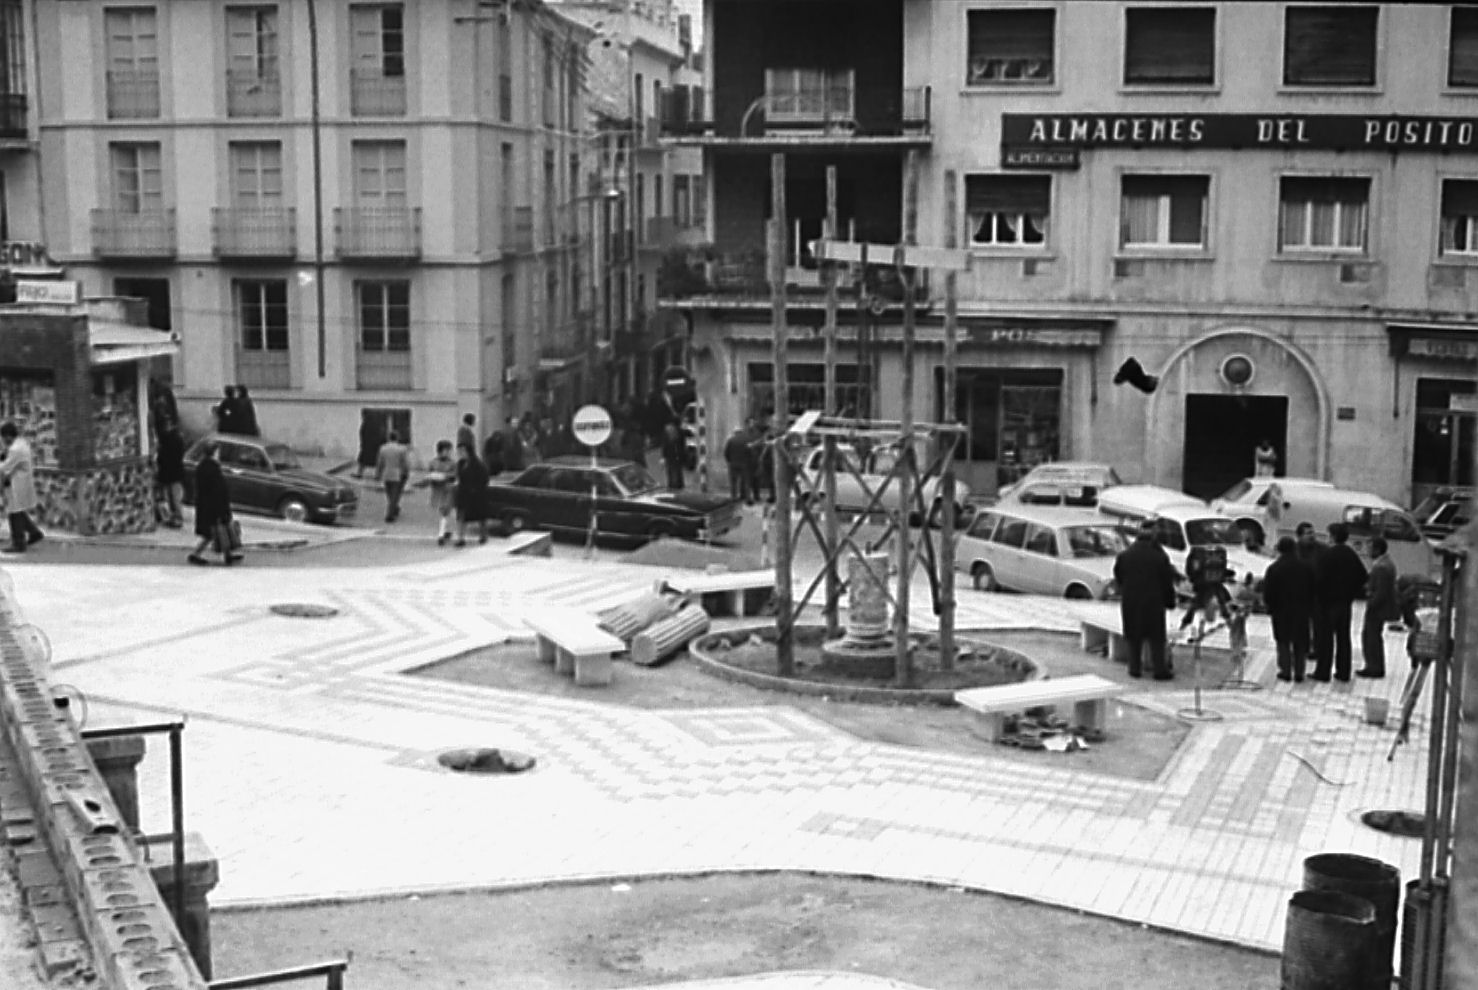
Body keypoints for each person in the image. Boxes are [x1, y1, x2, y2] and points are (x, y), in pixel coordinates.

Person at [1112, 519, 1178, 680]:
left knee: (1134, 635)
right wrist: (1170, 601)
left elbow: (1118, 576)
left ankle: (1134, 668)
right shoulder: (1159, 557)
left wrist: (1126, 590)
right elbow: (1166, 581)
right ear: (1154, 535)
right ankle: (1159, 670)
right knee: (1156, 638)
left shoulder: (1125, 556)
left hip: (1131, 601)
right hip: (1153, 603)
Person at [1314, 522, 1368, 682]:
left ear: (1333, 536)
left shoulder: (1327, 555)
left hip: (1328, 603)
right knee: (1344, 638)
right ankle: (1343, 671)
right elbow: (1362, 577)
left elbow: (1319, 579)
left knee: (1326, 639)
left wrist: (1320, 597)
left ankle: (1323, 672)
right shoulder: (1351, 554)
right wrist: (1351, 593)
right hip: (1345, 603)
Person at [1262, 536, 1316, 682]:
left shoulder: (1274, 569)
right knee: (1300, 641)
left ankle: (1285, 671)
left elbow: (1268, 592)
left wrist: (1269, 606)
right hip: (1302, 610)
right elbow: (1313, 589)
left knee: (1283, 641)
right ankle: (1299, 672)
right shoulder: (1306, 567)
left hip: (1281, 610)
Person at [188, 442, 240, 566]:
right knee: (211, 532)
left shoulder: (203, 466)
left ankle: (228, 555)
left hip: (206, 505)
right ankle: (195, 554)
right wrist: (222, 508)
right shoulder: (212, 468)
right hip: (213, 506)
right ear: (214, 452)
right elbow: (217, 489)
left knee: (221, 529)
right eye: (218, 452)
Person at [0, 422, 44, 554]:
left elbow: (4, 468)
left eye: (3, 437)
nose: (3, 440)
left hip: (17, 484)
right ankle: (34, 532)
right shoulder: (21, 444)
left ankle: (18, 542)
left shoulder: (15, 449)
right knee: (17, 510)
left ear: (8, 436)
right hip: (19, 482)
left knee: (14, 513)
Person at [1360, 537, 1400, 679]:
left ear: (1377, 549)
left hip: (1378, 609)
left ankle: (1374, 667)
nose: (1367, 551)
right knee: (1372, 636)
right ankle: (1373, 665)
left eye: (1369, 548)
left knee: (1371, 637)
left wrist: (1371, 603)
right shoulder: (1384, 563)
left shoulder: (1381, 567)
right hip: (1380, 606)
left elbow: (1381, 592)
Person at [1295, 521, 1327, 666]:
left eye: (1312, 533)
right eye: (1308, 534)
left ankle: (1318, 649)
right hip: (1300, 593)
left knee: (1318, 623)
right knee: (1301, 623)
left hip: (1318, 593)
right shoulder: (1294, 551)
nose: (1312, 536)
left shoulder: (1322, 550)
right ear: (1299, 536)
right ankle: (1303, 647)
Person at [454, 442, 490, 546]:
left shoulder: (478, 465)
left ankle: (483, 536)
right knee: (461, 516)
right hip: (463, 494)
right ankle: (460, 538)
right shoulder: (460, 464)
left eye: (462, 451)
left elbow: (485, 479)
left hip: (477, 495)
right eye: (459, 451)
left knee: (481, 517)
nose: (460, 454)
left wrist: (476, 488)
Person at [424, 440, 458, 546]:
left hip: (447, 489)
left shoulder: (452, 463)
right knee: (443, 512)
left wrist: (446, 476)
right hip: (438, 490)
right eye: (447, 450)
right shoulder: (433, 462)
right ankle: (443, 532)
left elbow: (454, 475)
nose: (449, 453)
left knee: (445, 512)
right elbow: (429, 475)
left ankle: (441, 534)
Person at [374, 429, 411, 524]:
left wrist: (378, 473)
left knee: (390, 494)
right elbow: (405, 463)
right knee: (395, 494)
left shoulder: (383, 448)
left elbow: (380, 463)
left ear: (388, 438)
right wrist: (406, 472)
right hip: (397, 474)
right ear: (397, 438)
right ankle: (390, 514)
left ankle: (394, 508)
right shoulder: (401, 449)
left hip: (386, 473)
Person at [155, 421, 186, 529]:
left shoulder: (166, 440)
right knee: (175, 498)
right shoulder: (178, 439)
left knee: (170, 497)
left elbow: (162, 456)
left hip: (168, 473)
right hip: (175, 474)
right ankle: (176, 518)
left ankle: (175, 518)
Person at [724, 424, 755, 504]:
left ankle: (734, 497)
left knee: (733, 481)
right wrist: (750, 461)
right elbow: (750, 452)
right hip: (745, 464)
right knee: (746, 481)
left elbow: (726, 452)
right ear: (741, 432)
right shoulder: (747, 440)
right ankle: (747, 498)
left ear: (735, 432)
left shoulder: (730, 440)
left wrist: (730, 461)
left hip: (733, 464)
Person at [356, 411, 382, 479]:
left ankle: (359, 474)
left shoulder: (366, 424)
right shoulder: (375, 424)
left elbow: (363, 435)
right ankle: (377, 475)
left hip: (367, 446)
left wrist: (362, 443)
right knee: (377, 461)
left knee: (362, 461)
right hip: (374, 446)